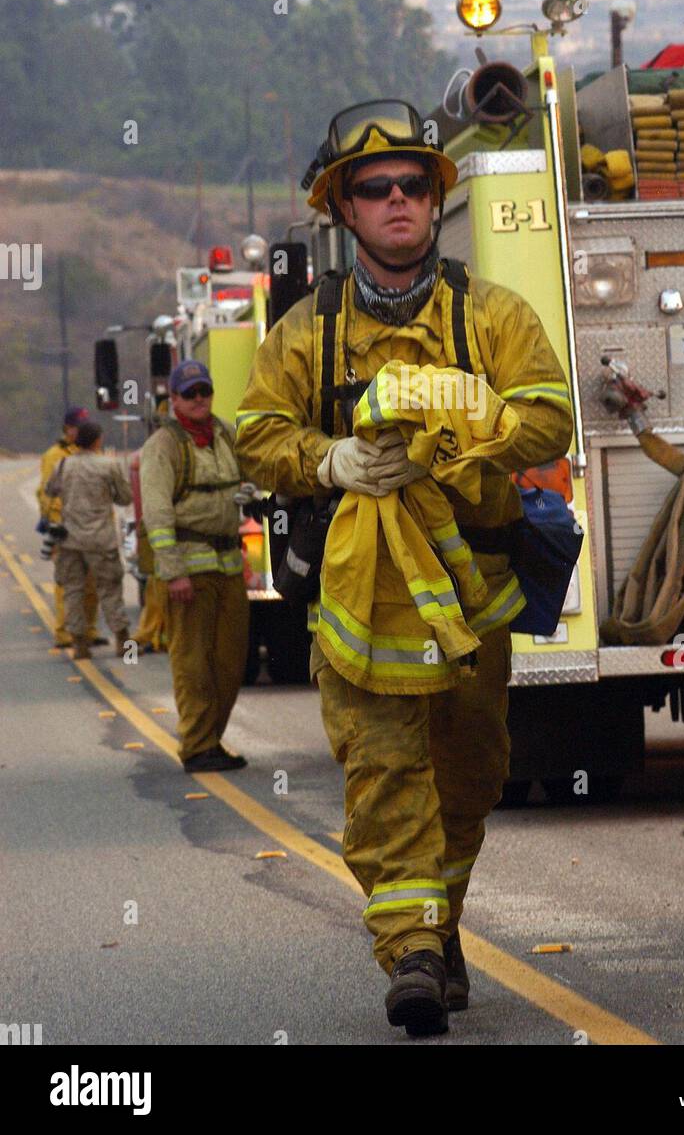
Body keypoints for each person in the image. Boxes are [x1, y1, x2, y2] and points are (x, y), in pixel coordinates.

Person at [235, 101, 573, 1036]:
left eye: (413, 185)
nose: (397, 201)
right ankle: (414, 954)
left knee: (467, 778)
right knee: (385, 776)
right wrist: (330, 461)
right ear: (344, 209)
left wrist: (458, 432)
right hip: (360, 604)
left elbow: (549, 417)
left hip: (471, 605)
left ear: (434, 198)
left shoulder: (491, 315)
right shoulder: (308, 332)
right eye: (374, 188)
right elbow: (258, 435)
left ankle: (441, 922)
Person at [139, 360, 249, 774]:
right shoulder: (163, 446)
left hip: (229, 565)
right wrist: (174, 573)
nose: (199, 398)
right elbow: (156, 513)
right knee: (193, 663)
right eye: (190, 393)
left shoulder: (224, 434)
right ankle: (197, 745)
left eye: (204, 389)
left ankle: (211, 740)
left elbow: (252, 472)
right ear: (174, 399)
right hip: (188, 571)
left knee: (229, 662)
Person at [46, 422, 132, 661]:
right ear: (97, 441)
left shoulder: (63, 465)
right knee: (110, 590)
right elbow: (125, 498)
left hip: (70, 540)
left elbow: (50, 490)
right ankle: (124, 644)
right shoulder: (109, 464)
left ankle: (79, 645)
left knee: (73, 591)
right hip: (102, 540)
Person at [37, 406, 106, 649]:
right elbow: (47, 493)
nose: (81, 430)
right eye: (77, 426)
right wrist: (57, 523)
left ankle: (89, 628)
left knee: (92, 582)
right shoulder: (55, 455)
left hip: (91, 528)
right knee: (68, 582)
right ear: (67, 429)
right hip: (65, 527)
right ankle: (64, 630)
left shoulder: (92, 453)